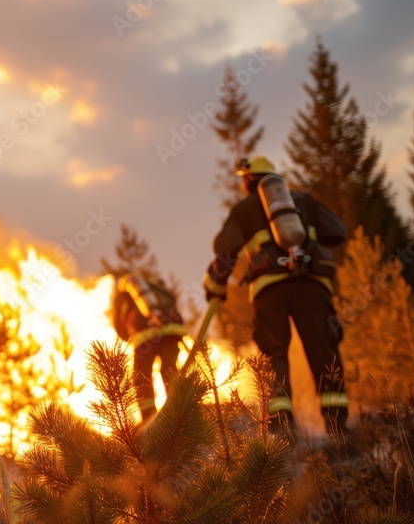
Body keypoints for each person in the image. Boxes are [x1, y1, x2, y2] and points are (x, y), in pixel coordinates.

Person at [203, 155, 349, 441]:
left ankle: (282, 428)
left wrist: (214, 285)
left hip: (269, 290)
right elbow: (337, 232)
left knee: (274, 355)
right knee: (323, 352)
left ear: (248, 179)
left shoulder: (245, 208)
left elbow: (225, 249)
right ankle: (339, 430)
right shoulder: (303, 201)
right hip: (311, 286)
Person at [110, 272, 187, 422]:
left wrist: (128, 335)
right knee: (170, 370)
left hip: (147, 335)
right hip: (173, 332)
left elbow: (119, 326)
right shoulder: (157, 288)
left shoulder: (123, 293)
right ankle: (180, 411)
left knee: (141, 376)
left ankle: (149, 418)